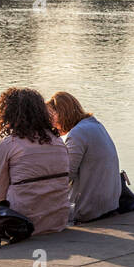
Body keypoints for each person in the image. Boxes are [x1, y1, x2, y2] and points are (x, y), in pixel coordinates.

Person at [0, 87, 71, 234]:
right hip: (58, 220)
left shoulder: (9, 143)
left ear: (9, 114)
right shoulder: (59, 142)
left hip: (21, 223)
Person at [47, 91, 120, 223]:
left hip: (88, 209)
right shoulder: (96, 125)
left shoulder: (77, 134)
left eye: (51, 117)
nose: (50, 123)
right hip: (110, 204)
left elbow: (66, 176)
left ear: (61, 113)